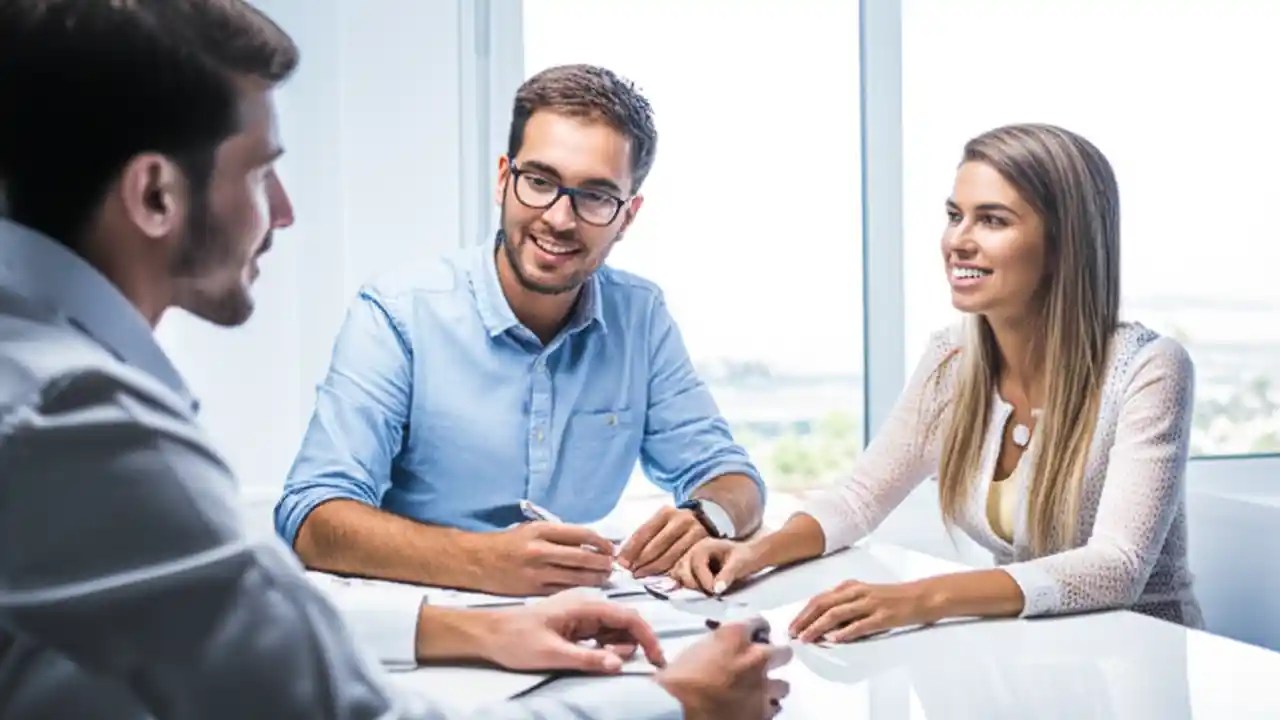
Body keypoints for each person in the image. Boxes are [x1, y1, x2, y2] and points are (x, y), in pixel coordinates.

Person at [0, 2, 790, 718]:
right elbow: (335, 653)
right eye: (261, 171)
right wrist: (672, 704)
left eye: (593, 196)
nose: (284, 210)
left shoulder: (49, 378)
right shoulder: (72, 415)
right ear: (154, 196)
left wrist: (487, 631)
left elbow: (221, 621)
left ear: (626, 215)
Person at [671, 123, 1203, 641]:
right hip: (1027, 657)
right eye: (955, 216)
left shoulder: (1148, 368)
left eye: (992, 220)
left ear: (1066, 242)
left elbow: (1117, 565)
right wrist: (756, 552)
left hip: (1137, 660)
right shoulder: (952, 361)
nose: (958, 241)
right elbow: (859, 499)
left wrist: (919, 599)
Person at [274, 63, 765, 596]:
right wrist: (484, 561)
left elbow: (734, 480)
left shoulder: (640, 317)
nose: (559, 218)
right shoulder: (398, 313)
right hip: (420, 625)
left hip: (577, 624)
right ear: (504, 179)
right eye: (540, 181)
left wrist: (707, 515)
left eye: (596, 196)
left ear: (628, 216)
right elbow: (310, 517)